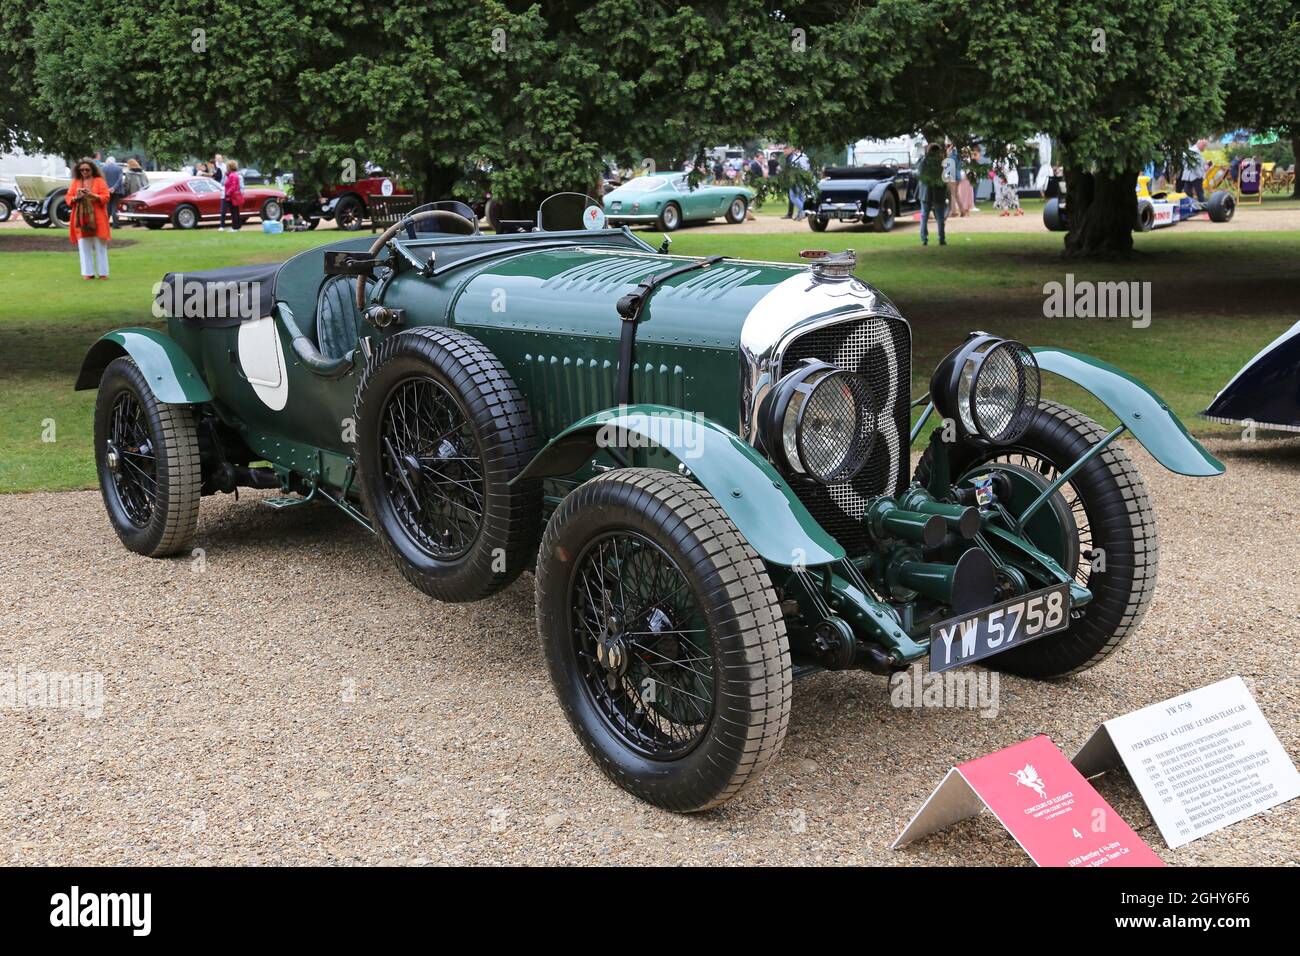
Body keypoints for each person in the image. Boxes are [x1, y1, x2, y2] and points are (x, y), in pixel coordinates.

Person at [66, 159, 111, 279]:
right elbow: (69, 197)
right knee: (84, 247)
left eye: (87, 169)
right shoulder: (76, 182)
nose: (84, 172)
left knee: (100, 247)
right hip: (80, 219)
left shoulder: (99, 181)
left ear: (92, 170)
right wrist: (77, 198)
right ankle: (88, 273)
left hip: (98, 218)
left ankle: (103, 273)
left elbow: (106, 197)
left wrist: (93, 196)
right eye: (81, 170)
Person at [917, 142, 948, 246]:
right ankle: (941, 239)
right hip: (939, 193)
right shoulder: (942, 163)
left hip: (926, 193)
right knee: (940, 217)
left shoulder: (923, 162)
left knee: (924, 216)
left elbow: (920, 176)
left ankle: (924, 239)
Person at [786, 146, 811, 221]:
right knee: (800, 197)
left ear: (796, 149)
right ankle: (800, 215)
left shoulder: (795, 156)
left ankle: (803, 211)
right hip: (804, 178)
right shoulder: (805, 156)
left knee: (793, 196)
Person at [219, 160, 243, 232]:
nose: (226, 168)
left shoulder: (233, 175)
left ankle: (235, 227)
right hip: (233, 195)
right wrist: (227, 175)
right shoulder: (233, 174)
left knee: (234, 212)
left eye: (227, 166)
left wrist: (227, 193)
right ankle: (237, 226)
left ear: (230, 167)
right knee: (235, 211)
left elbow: (233, 186)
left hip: (232, 196)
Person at [101, 156, 125, 227]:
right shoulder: (119, 168)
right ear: (114, 161)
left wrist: (108, 188)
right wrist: (114, 188)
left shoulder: (103, 168)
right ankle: (115, 224)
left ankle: (105, 223)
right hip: (117, 191)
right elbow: (120, 179)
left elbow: (102, 180)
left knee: (107, 207)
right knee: (115, 206)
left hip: (106, 190)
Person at [943, 144, 964, 217]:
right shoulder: (957, 154)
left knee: (952, 194)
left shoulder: (950, 155)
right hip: (958, 174)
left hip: (952, 175)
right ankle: (962, 210)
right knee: (956, 194)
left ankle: (953, 211)